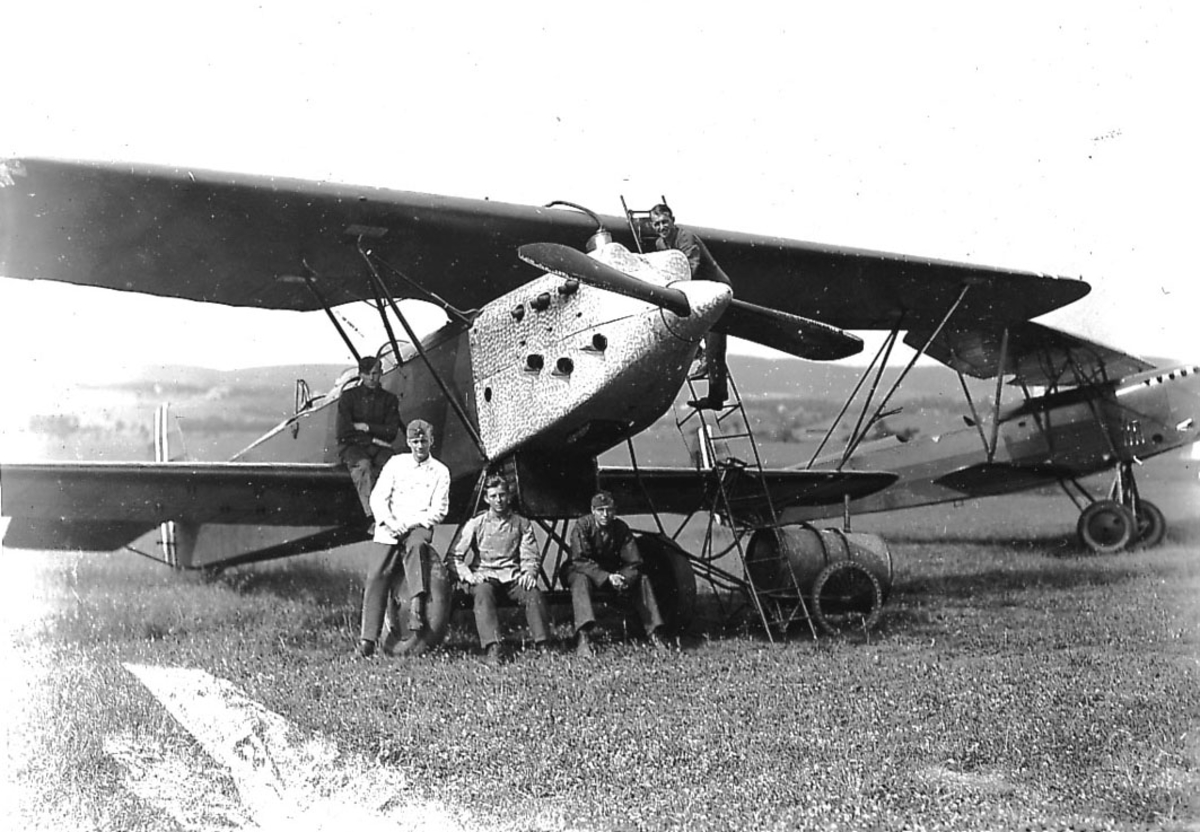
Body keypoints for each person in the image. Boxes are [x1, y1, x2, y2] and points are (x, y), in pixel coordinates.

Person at [357, 419, 450, 657]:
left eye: (425, 441)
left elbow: (439, 510)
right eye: (416, 441)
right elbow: (378, 497)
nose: (420, 446)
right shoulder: (395, 464)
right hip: (390, 526)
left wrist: (409, 524)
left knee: (417, 547)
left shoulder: (441, 471)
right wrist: (389, 522)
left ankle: (417, 605)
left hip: (418, 525)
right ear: (409, 442)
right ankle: (368, 640)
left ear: (432, 441)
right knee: (377, 574)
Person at [449, 475, 552, 664]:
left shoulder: (521, 523)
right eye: (494, 496)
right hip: (485, 575)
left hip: (511, 576)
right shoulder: (476, 523)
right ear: (487, 499)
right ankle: (493, 647)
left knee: (533, 593)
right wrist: (469, 576)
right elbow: (454, 557)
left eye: (502, 495)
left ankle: (543, 644)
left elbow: (530, 554)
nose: (499, 500)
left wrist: (529, 573)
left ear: (509, 496)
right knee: (482, 593)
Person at [562, 491, 666, 656]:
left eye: (609, 510)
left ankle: (654, 634)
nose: (605, 515)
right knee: (581, 581)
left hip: (611, 573)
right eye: (600, 510)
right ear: (592, 510)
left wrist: (623, 577)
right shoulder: (582, 526)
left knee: (642, 579)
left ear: (614, 510)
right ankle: (583, 638)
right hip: (581, 570)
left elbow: (634, 561)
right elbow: (579, 560)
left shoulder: (621, 528)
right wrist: (606, 577)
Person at [650, 203, 731, 410]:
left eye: (665, 222)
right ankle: (703, 360)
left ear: (673, 220)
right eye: (657, 224)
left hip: (713, 289)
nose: (661, 227)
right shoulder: (661, 244)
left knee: (714, 342)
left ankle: (716, 397)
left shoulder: (685, 238)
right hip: (692, 291)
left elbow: (690, 266)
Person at [337, 356, 402, 523]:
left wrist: (366, 427)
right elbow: (344, 432)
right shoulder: (348, 397)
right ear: (361, 375)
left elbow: (391, 432)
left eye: (376, 373)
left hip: (378, 448)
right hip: (353, 448)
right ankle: (370, 516)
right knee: (363, 465)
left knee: (392, 465)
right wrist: (374, 440)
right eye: (368, 374)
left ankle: (392, 513)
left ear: (381, 373)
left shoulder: (389, 399)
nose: (372, 378)